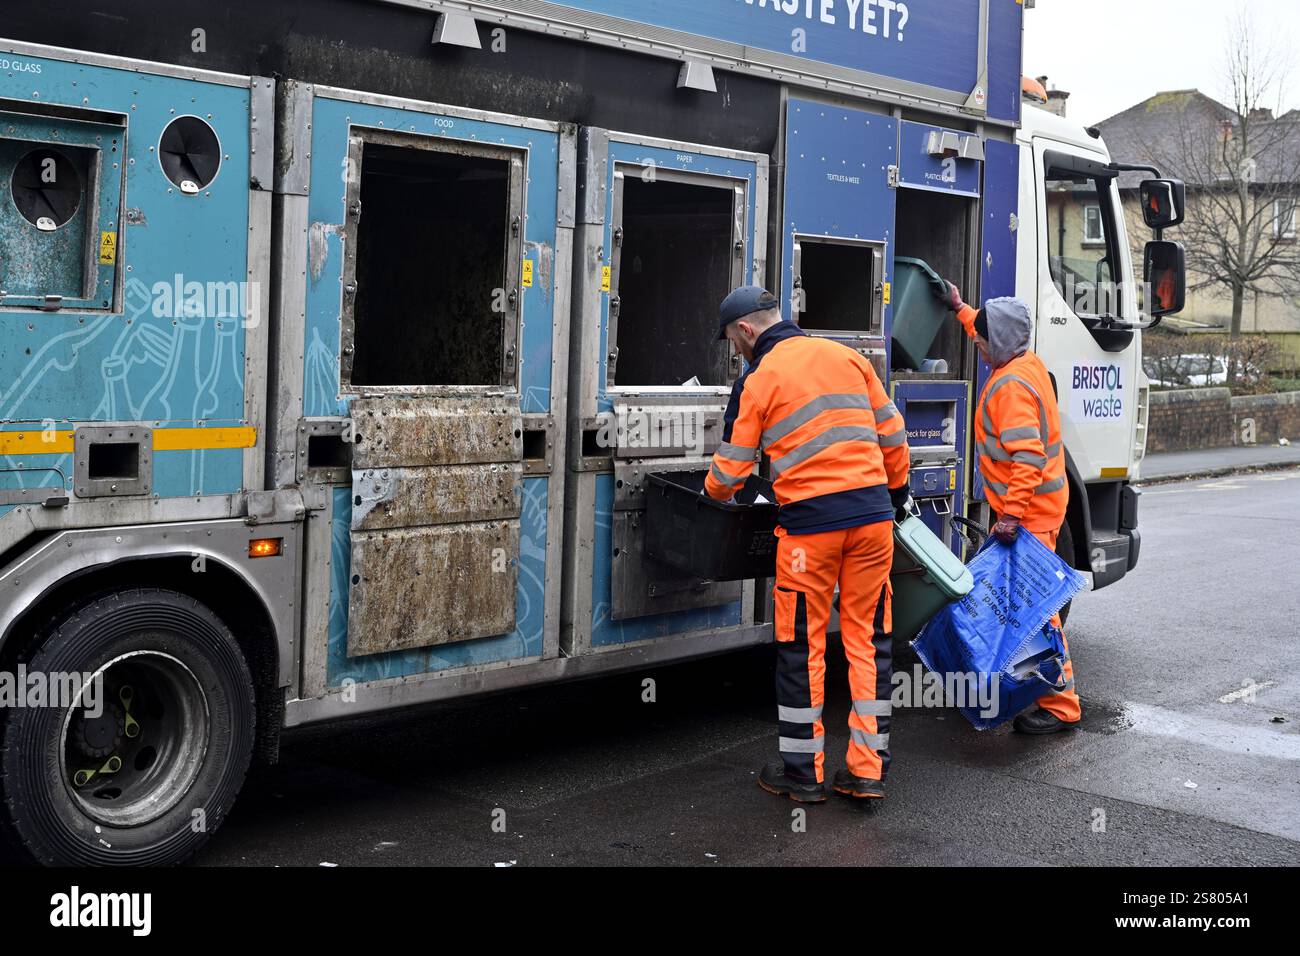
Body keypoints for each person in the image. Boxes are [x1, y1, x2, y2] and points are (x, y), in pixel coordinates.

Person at [705, 286, 910, 802]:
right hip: (873, 524)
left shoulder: (758, 377)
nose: (735, 352)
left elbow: (730, 470)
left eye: (733, 341)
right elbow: (893, 435)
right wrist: (896, 492)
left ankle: (803, 775)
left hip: (809, 533)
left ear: (748, 331)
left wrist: (712, 492)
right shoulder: (848, 358)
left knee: (802, 647)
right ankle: (867, 770)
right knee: (869, 641)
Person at [942, 284, 1082, 734]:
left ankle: (1062, 705)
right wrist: (963, 310)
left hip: (1031, 517)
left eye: (983, 341)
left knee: (1037, 612)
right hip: (1041, 511)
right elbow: (988, 326)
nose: (979, 346)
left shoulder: (1011, 387)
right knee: (1026, 608)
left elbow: (1028, 457)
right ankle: (1033, 688)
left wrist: (1010, 516)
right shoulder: (1027, 362)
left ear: (998, 342)